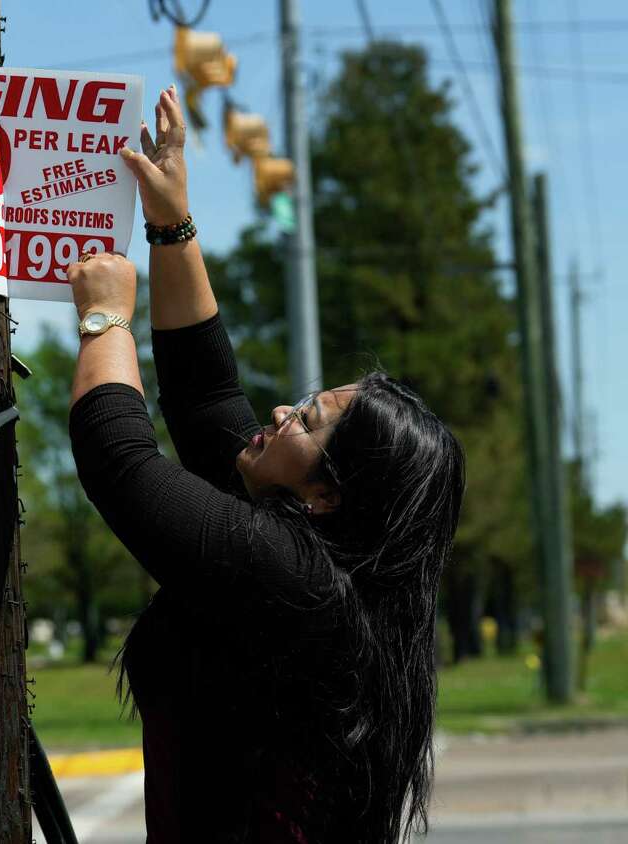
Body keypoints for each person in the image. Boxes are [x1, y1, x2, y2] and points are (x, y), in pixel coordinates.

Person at [64, 86, 465, 843]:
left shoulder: (297, 583)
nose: (280, 413)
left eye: (305, 423)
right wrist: (171, 222)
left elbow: (119, 461)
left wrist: (105, 318)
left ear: (325, 496)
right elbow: (206, 393)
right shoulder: (313, 567)